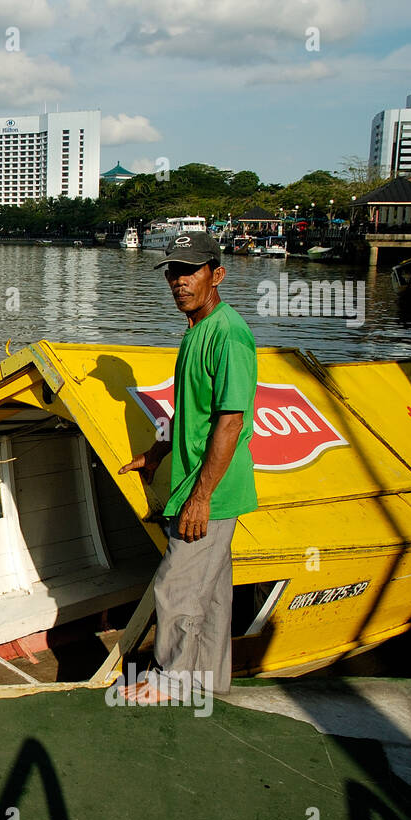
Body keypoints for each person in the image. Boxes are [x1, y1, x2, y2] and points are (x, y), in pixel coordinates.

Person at [118, 231, 257, 703]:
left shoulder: (229, 335)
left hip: (210, 491)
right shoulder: (197, 330)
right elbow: (191, 411)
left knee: (175, 587)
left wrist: (201, 498)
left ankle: (170, 680)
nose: (179, 282)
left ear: (216, 274)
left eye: (190, 271)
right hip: (195, 485)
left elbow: (230, 421)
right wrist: (157, 454)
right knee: (213, 598)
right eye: (174, 272)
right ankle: (209, 685)